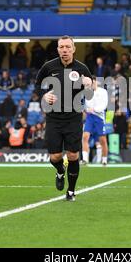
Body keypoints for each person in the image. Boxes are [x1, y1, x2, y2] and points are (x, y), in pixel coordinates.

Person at [34, 35, 92, 202]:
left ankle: (71, 191)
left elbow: (89, 95)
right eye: (61, 47)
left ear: (73, 49)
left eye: (68, 47)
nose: (64, 50)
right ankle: (60, 171)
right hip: (53, 118)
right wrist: (44, 96)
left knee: (73, 155)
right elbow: (37, 85)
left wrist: (88, 85)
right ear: (57, 49)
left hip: (74, 117)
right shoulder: (48, 67)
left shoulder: (82, 68)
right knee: (55, 157)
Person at [82, 75, 109, 166]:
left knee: (102, 140)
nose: (90, 85)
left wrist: (94, 109)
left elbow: (104, 105)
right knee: (85, 136)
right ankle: (85, 159)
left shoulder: (103, 92)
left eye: (92, 83)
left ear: (96, 82)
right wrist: (86, 109)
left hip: (99, 117)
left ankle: (104, 160)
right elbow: (85, 104)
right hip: (90, 117)